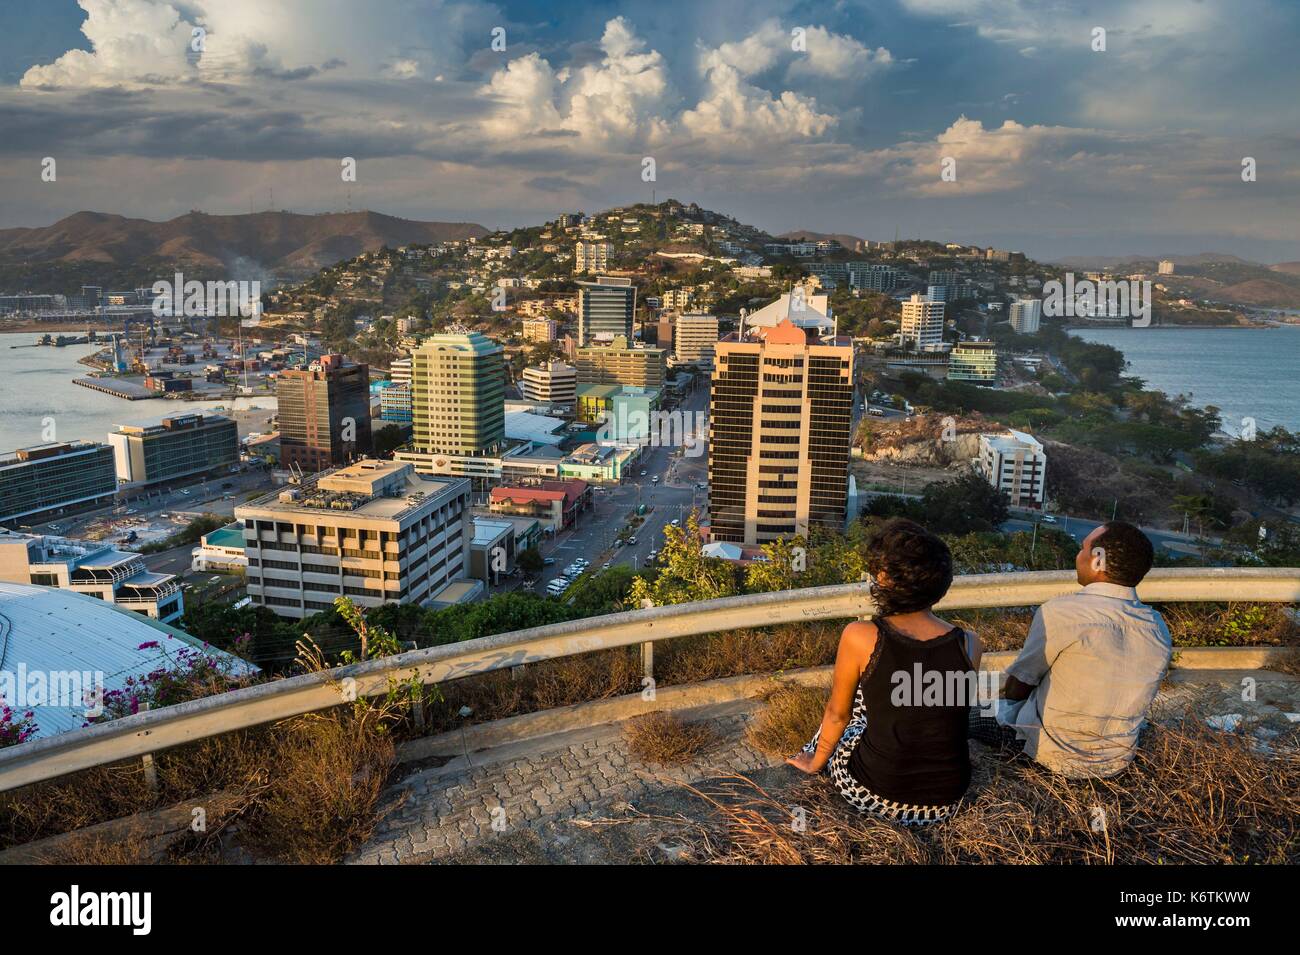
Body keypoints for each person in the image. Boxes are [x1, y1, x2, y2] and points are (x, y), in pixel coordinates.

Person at [788, 519, 981, 826]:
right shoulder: (970, 643)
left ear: (885, 581)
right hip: (947, 799)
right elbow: (942, 712)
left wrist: (816, 761)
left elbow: (838, 714)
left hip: (877, 795)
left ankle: (810, 753)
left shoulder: (861, 635)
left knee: (859, 705)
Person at [969, 521, 1171, 778]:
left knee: (974, 714)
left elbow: (1018, 686)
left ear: (1098, 560)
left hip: (1049, 756)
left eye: (1083, 548)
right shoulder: (1158, 627)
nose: (1078, 555)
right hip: (1116, 763)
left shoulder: (1062, 612)